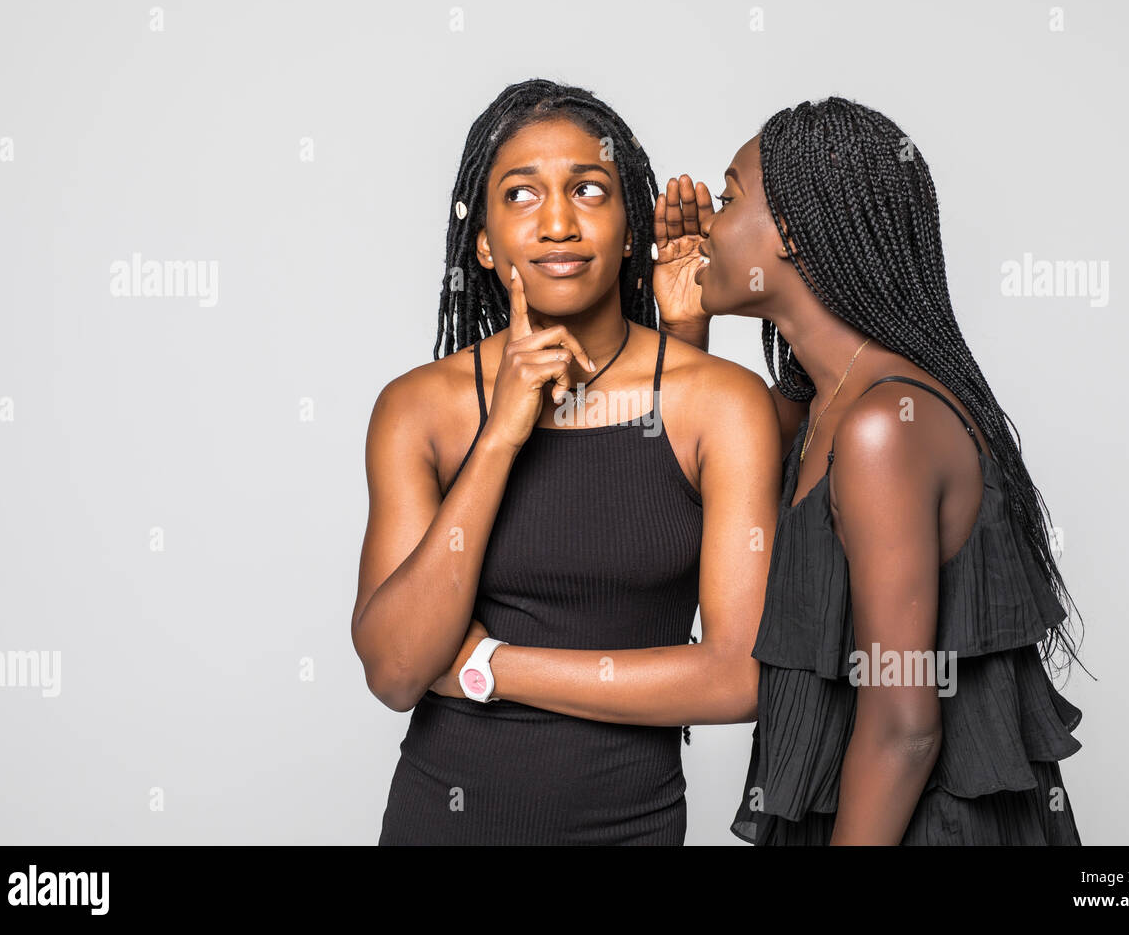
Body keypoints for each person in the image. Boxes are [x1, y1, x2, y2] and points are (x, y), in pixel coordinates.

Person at [350, 79, 782, 845]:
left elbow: (738, 677)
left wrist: (489, 665)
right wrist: (502, 436)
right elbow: (394, 671)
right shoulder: (420, 409)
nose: (557, 223)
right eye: (520, 195)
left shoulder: (720, 403)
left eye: (588, 189)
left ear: (627, 232)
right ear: (483, 241)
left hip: (630, 827)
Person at [654, 96, 1089, 844]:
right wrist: (685, 329)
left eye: (728, 201)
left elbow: (904, 727)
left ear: (788, 231)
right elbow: (701, 485)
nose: (709, 228)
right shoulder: (819, 406)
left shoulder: (883, 428)